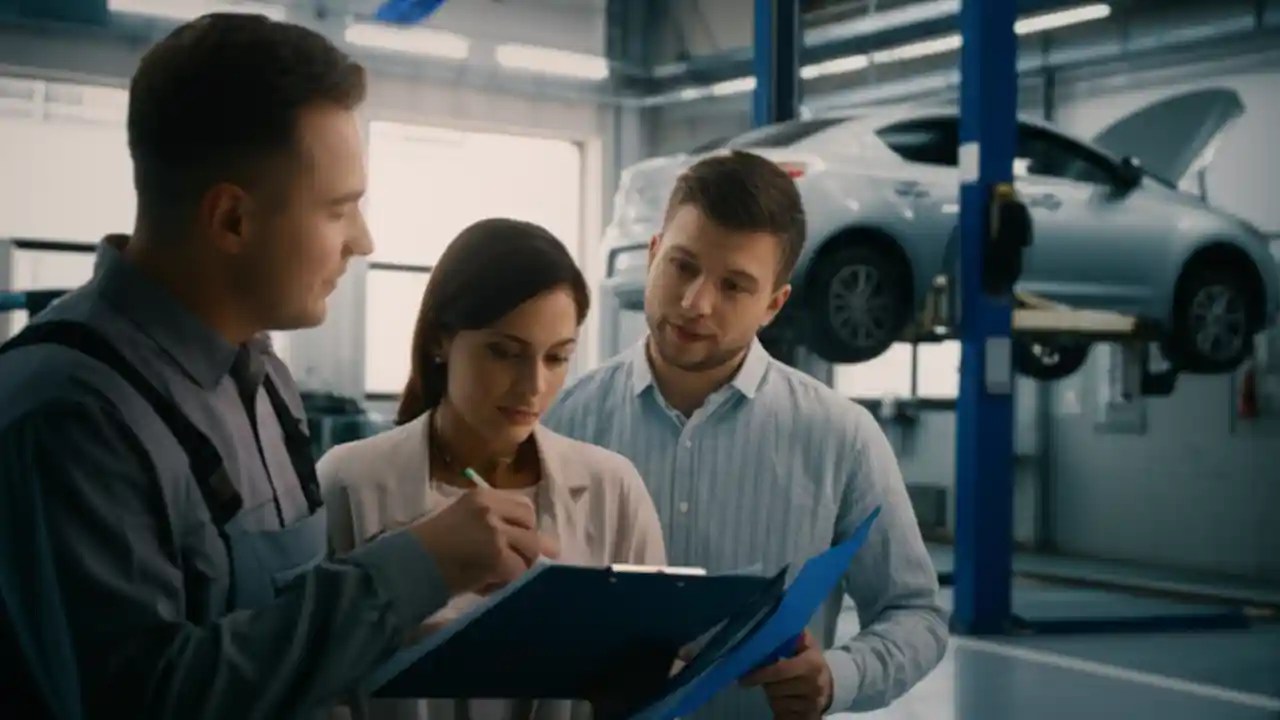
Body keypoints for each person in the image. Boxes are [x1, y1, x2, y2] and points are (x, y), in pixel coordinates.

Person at [0, 14, 555, 720]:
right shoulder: (67, 416)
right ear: (232, 219)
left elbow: (267, 625)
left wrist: (431, 577)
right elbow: (146, 698)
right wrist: (414, 569)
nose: (364, 240)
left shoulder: (265, 382)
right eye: (338, 210)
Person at [542, 150, 949, 719]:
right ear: (654, 254)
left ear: (773, 305)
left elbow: (916, 614)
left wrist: (837, 676)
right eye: (682, 266)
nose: (695, 303)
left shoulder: (840, 437)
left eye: (734, 286)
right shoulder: (561, 421)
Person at [318, 217, 667, 720]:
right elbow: (315, 684)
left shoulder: (612, 488)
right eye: (505, 353)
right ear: (441, 340)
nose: (533, 386)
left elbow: (649, 683)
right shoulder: (350, 482)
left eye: (557, 358)